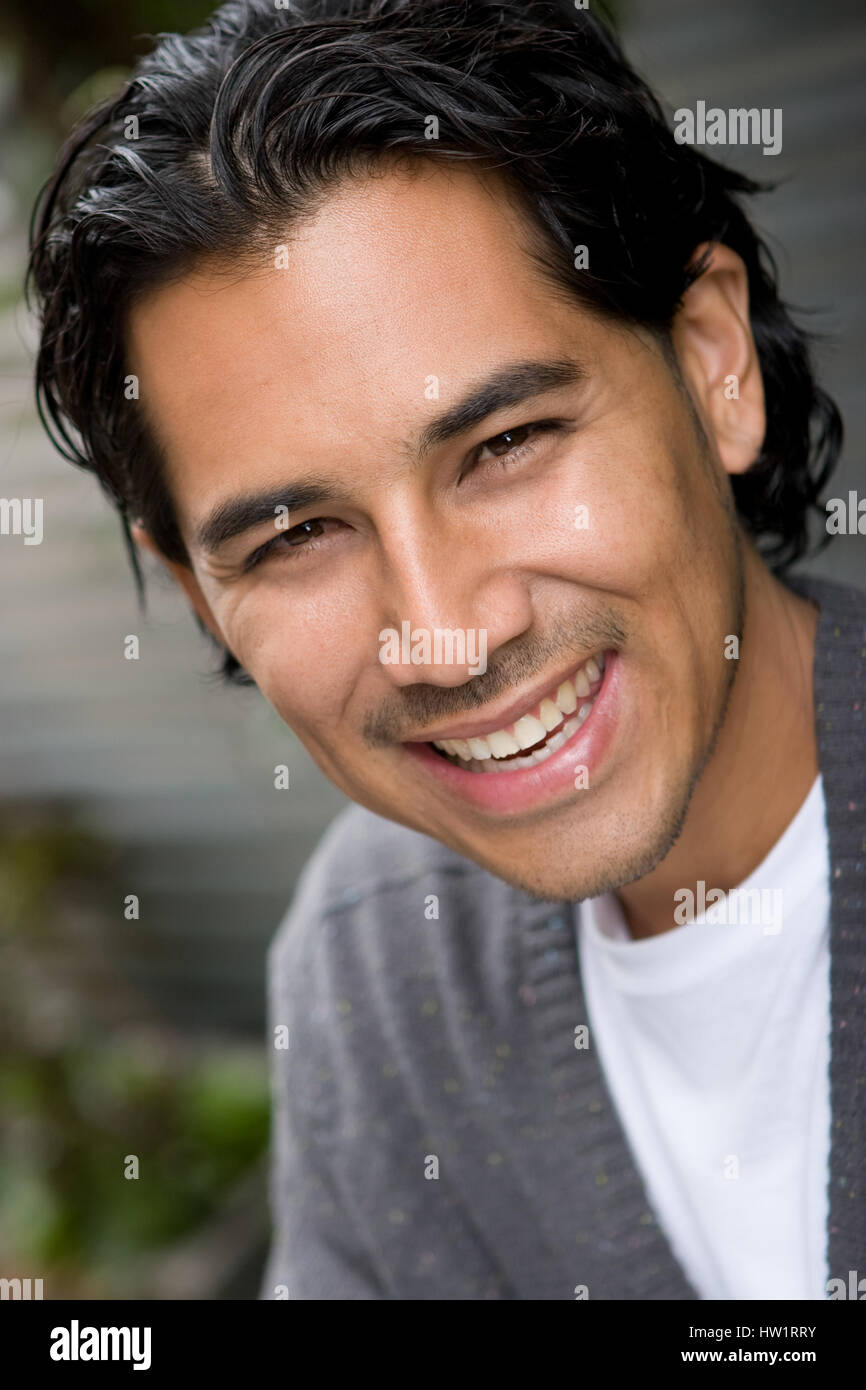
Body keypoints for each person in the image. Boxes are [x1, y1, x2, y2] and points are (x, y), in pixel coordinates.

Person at [28, 0, 864, 1300]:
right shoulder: (373, 969)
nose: (447, 631)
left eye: (508, 444)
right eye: (299, 533)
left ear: (711, 362)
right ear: (200, 596)